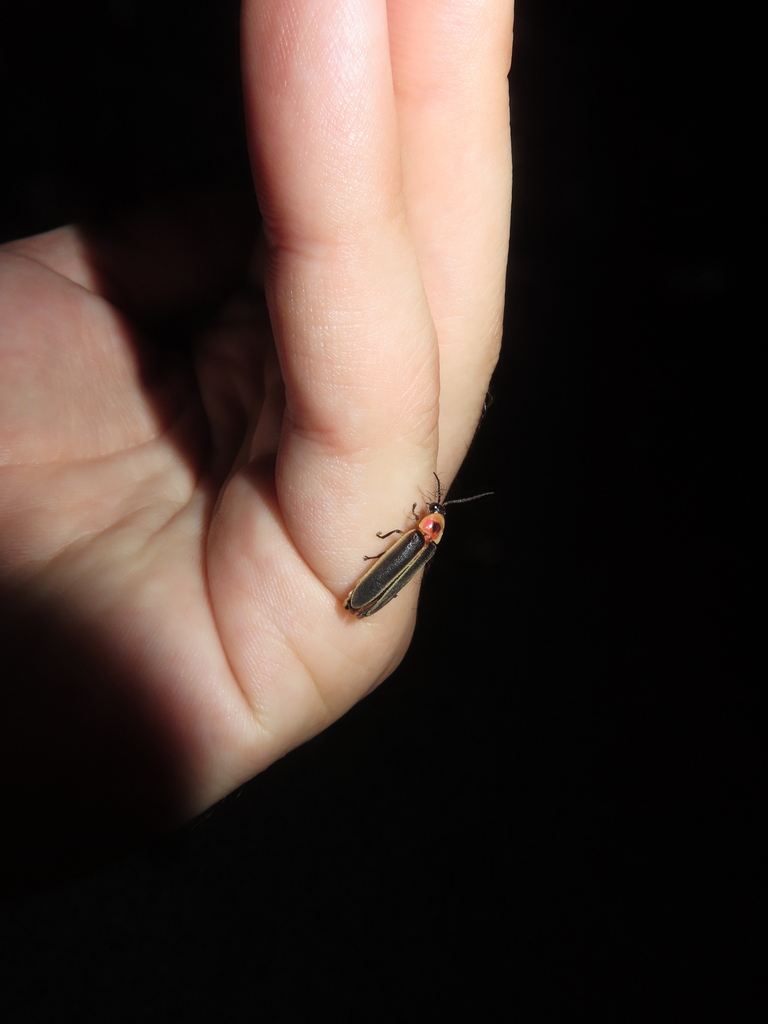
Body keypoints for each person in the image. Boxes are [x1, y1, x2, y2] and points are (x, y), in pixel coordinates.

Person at [0, 0, 513, 888]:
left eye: (431, 520)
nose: (428, 518)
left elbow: (397, 550)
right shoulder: (409, 531)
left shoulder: (403, 542)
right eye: (431, 518)